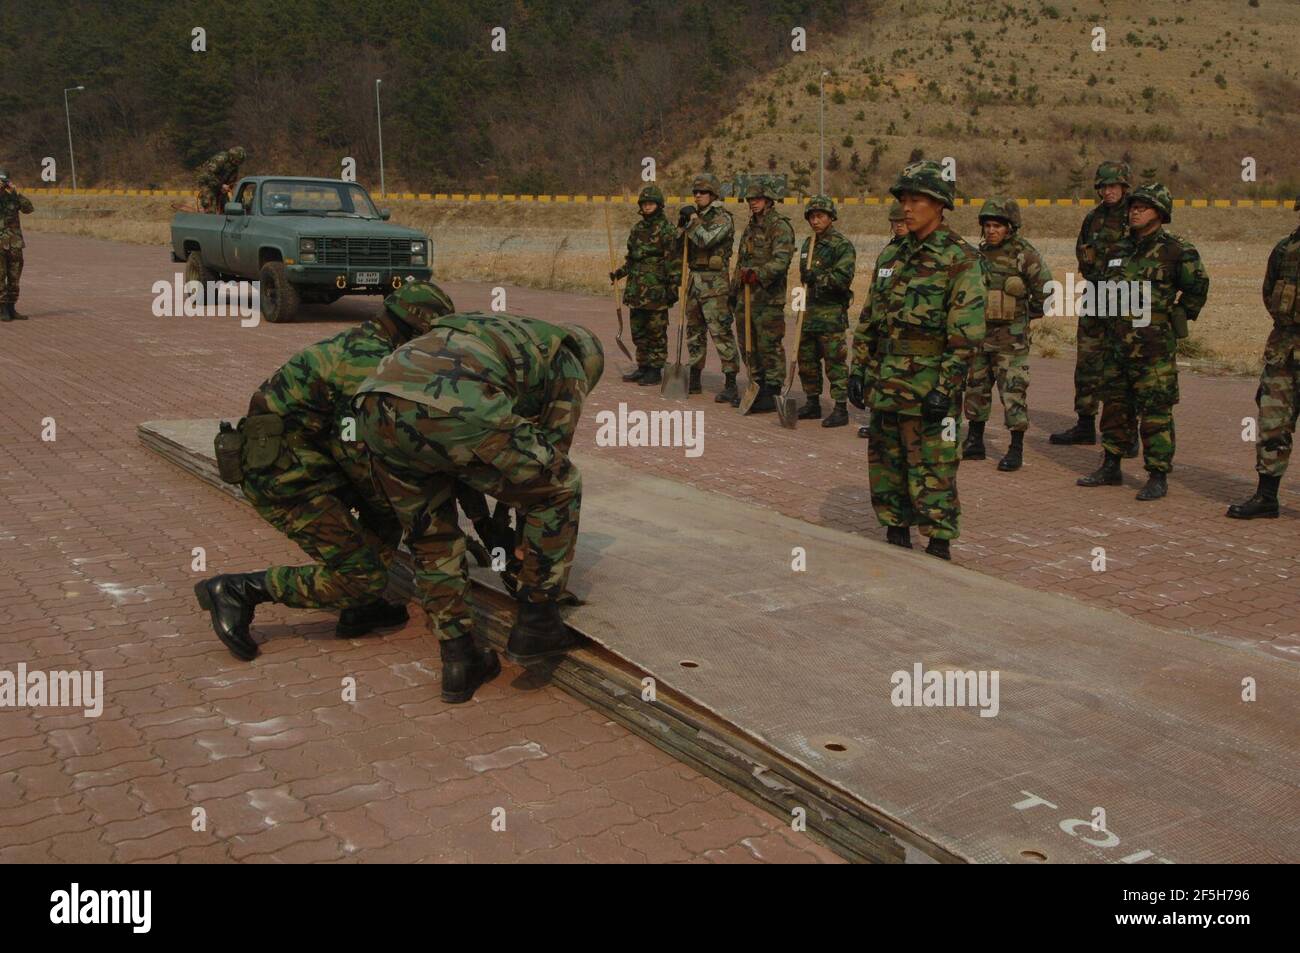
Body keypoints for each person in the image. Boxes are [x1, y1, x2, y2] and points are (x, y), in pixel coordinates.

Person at [194, 282, 456, 663]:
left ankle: (360, 608)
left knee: (385, 510)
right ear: (416, 328)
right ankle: (240, 590)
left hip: (307, 460)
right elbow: (359, 454)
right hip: (283, 480)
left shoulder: (368, 345)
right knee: (363, 571)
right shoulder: (369, 368)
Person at [353, 313, 603, 703]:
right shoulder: (568, 361)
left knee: (430, 537)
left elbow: (460, 466)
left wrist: (493, 523)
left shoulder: (500, 334)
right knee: (560, 487)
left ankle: (459, 659)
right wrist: (527, 547)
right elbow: (547, 466)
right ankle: (537, 623)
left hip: (375, 407)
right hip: (453, 407)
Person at [848, 160, 986, 559]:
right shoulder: (891, 257)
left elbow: (966, 336)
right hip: (887, 382)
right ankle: (895, 534)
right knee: (886, 466)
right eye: (903, 199)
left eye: (917, 200)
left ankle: (939, 543)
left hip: (929, 386)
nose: (907, 208)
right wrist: (859, 368)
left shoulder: (960, 258)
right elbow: (870, 318)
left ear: (940, 204)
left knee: (934, 468)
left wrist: (946, 388)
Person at [1076, 183, 1209, 501]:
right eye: (1133, 206)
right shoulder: (1117, 250)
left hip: (1153, 347)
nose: (1135, 211)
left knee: (1156, 411)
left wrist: (1178, 315)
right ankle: (1111, 465)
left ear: (1160, 213)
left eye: (1143, 207)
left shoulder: (1177, 251)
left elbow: (1198, 286)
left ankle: (1157, 474)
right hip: (1117, 344)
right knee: (1115, 407)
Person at [961, 198, 1052, 471]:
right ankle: (975, 441)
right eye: (987, 225)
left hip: (1010, 343)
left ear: (1010, 228)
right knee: (975, 390)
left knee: (1013, 393)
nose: (991, 231)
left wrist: (1023, 316)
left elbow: (1047, 292)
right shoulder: (979, 255)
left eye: (997, 226)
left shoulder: (1024, 255)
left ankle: (1015, 448)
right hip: (980, 338)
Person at [1227, 197, 1300, 520]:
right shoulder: (1285, 250)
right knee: (1273, 424)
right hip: (1284, 352)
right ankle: (1267, 496)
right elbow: (1270, 292)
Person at [1052, 160, 1134, 449]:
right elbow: (1082, 250)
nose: (1108, 191)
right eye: (1103, 186)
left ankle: (1126, 430)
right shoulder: (1093, 218)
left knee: (1124, 365)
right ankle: (1085, 424)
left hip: (1127, 300)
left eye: (1113, 185)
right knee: (1087, 362)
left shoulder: (1135, 216)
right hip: (1095, 297)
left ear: (1124, 186)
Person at [732, 178, 795, 413]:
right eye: (750, 200)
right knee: (747, 344)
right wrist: (734, 289)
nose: (753, 203)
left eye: (757, 199)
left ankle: (772, 390)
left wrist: (757, 274)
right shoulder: (750, 227)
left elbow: (781, 262)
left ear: (768, 200)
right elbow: (741, 261)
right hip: (746, 297)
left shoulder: (780, 227)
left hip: (768, 298)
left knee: (769, 345)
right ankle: (756, 386)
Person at [679, 173, 741, 401]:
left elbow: (705, 240)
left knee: (720, 332)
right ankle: (694, 378)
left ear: (713, 195)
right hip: (695, 282)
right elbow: (679, 248)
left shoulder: (723, 218)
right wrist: (680, 228)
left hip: (715, 285)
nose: (697, 196)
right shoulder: (693, 218)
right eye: (695, 192)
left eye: (702, 192)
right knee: (694, 332)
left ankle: (731, 382)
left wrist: (693, 220)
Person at [610, 184, 680, 387]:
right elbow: (631, 259)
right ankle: (642, 366)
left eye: (651, 203)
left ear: (659, 205)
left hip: (656, 289)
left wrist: (673, 287)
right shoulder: (637, 229)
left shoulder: (667, 229)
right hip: (636, 289)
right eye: (645, 203)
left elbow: (673, 262)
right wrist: (619, 274)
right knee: (638, 330)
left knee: (656, 331)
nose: (648, 207)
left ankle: (655, 369)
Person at [796, 195, 856, 427]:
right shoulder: (807, 245)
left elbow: (843, 278)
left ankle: (841, 408)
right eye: (811, 216)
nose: (815, 220)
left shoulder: (841, 246)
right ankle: (812, 402)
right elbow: (803, 282)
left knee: (835, 363)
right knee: (807, 361)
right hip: (809, 314)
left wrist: (818, 278)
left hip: (830, 315)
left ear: (831, 217)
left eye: (820, 216)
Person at [858, 202, 909, 438]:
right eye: (894, 222)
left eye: (903, 222)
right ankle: (879, 420)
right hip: (881, 328)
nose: (898, 227)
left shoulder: (919, 253)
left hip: (906, 332)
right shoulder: (888, 253)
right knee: (877, 376)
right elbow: (873, 294)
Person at [0, 170, 35, 321]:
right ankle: (2, 310)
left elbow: (28, 209)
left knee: (14, 277)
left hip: (15, 243)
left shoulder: (13, 197)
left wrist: (16, 192)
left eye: (4, 181)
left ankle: (11, 307)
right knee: (0, 277)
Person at [196, 146, 247, 213]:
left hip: (221, 186)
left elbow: (232, 180)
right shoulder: (220, 159)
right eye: (237, 161)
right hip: (208, 184)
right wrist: (221, 185)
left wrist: (228, 187)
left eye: (239, 162)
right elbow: (208, 174)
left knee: (227, 207)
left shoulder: (234, 166)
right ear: (232, 157)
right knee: (209, 204)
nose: (237, 163)